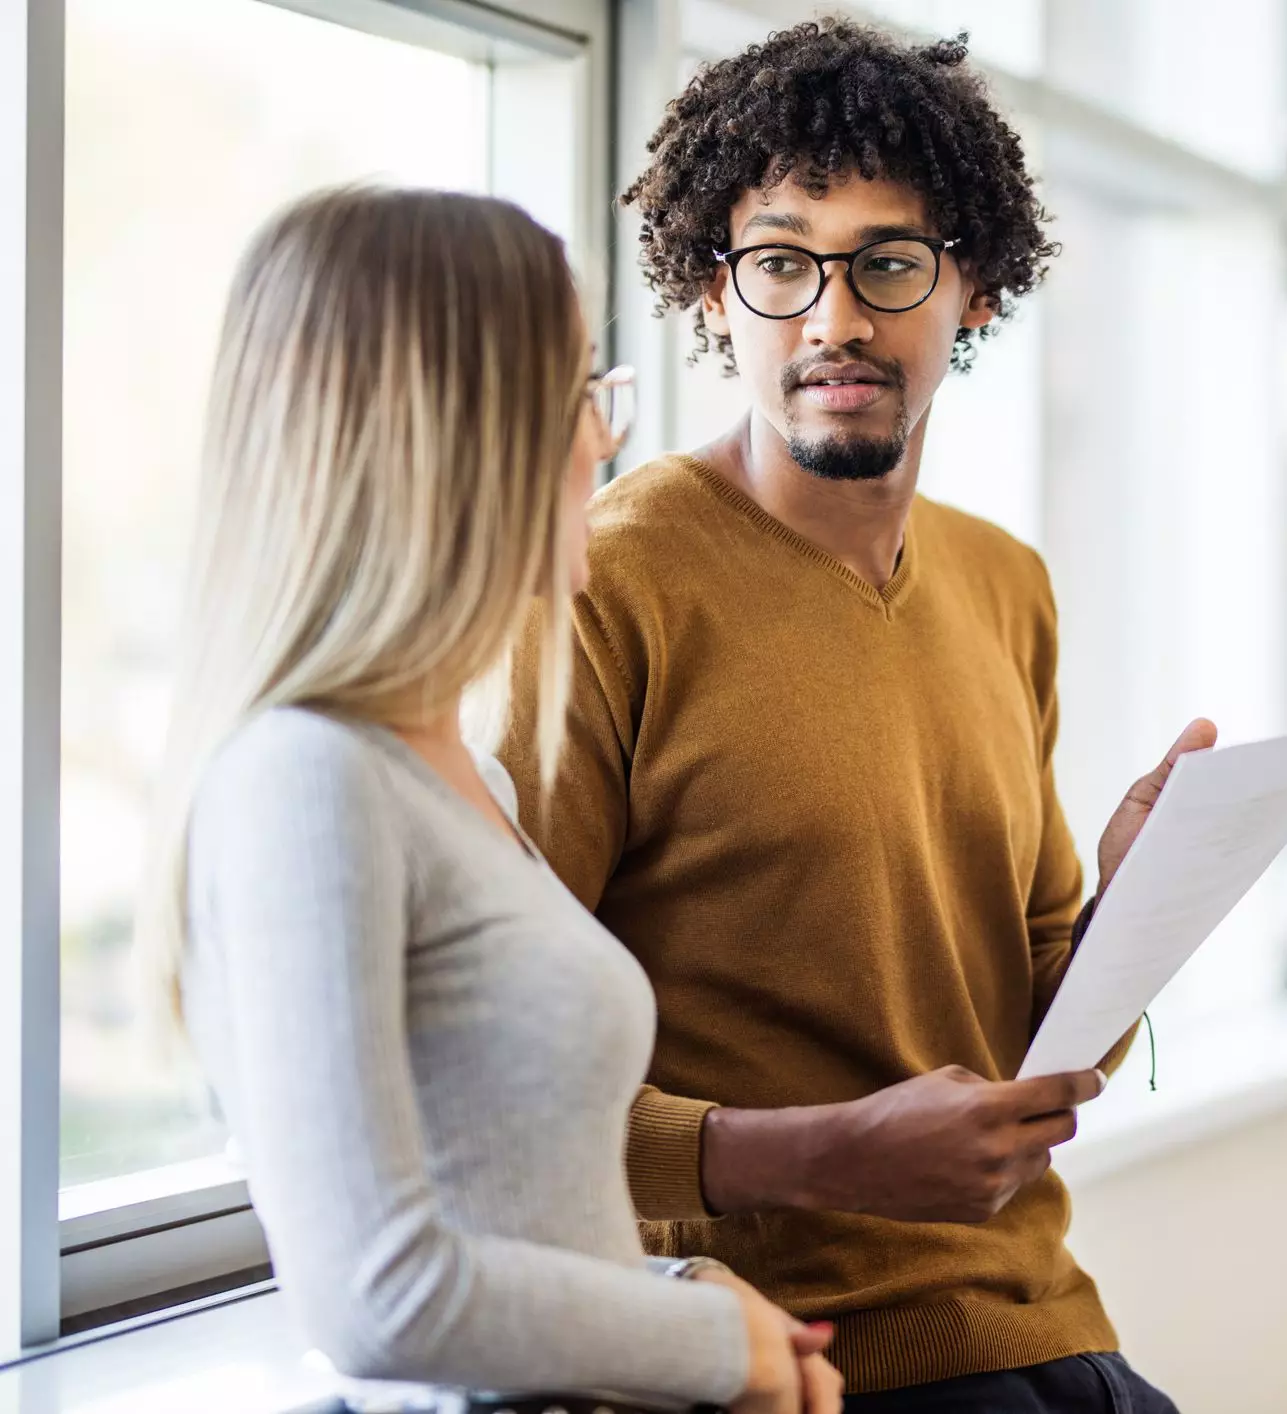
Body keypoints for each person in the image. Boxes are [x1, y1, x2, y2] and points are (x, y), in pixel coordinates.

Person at [496, 20, 1212, 1413]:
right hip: (787, 1353)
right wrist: (827, 1150)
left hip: (1035, 1313)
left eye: (888, 263)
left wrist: (1137, 907)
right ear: (715, 297)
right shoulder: (608, 584)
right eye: (780, 263)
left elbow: (1024, 1051)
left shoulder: (1007, 584)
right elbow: (500, 1087)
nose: (834, 319)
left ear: (976, 293)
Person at [149, 186, 841, 1414]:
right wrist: (706, 1340)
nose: (603, 439)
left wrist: (693, 1289)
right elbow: (377, 1295)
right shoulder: (307, 779)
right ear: (457, 436)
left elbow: (519, 1196)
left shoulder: (468, 777)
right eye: (578, 395)